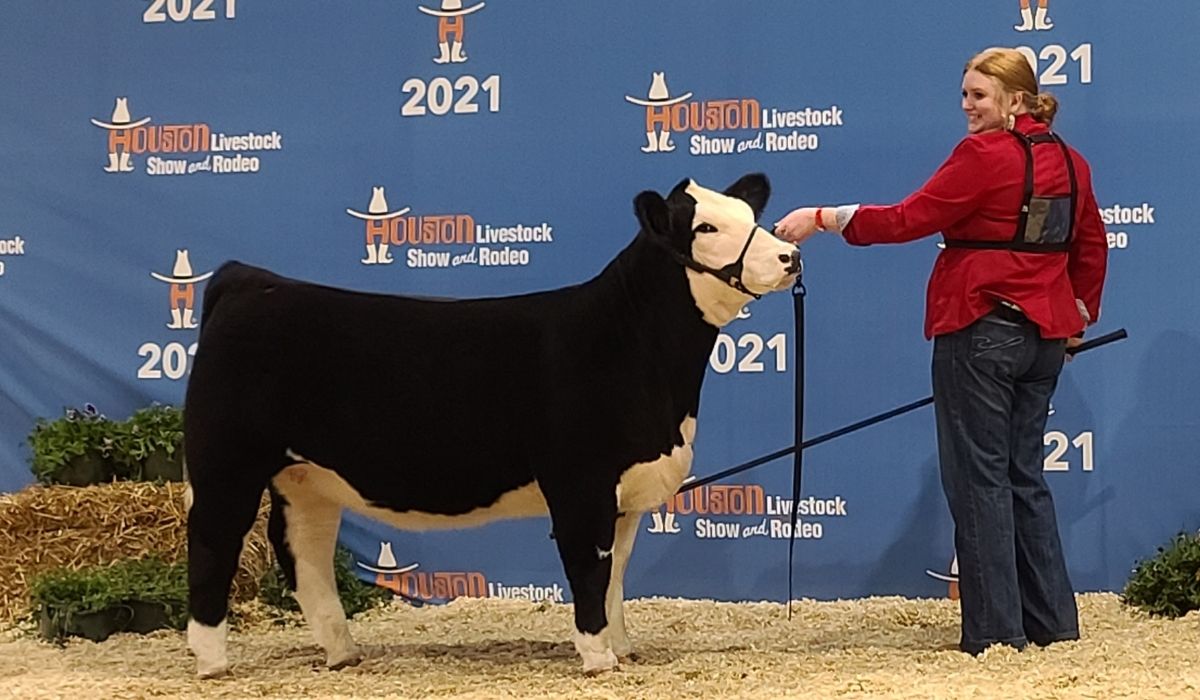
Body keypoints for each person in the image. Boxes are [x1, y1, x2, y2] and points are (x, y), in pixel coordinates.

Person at [774, 47, 1108, 655]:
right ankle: (1053, 625)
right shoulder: (1071, 160)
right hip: (1045, 337)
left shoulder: (983, 156)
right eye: (964, 94)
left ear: (1015, 100)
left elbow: (909, 219)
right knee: (1024, 477)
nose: (966, 106)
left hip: (980, 328)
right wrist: (1079, 315)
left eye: (979, 95)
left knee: (979, 479)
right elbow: (1091, 242)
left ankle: (998, 635)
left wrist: (823, 217)